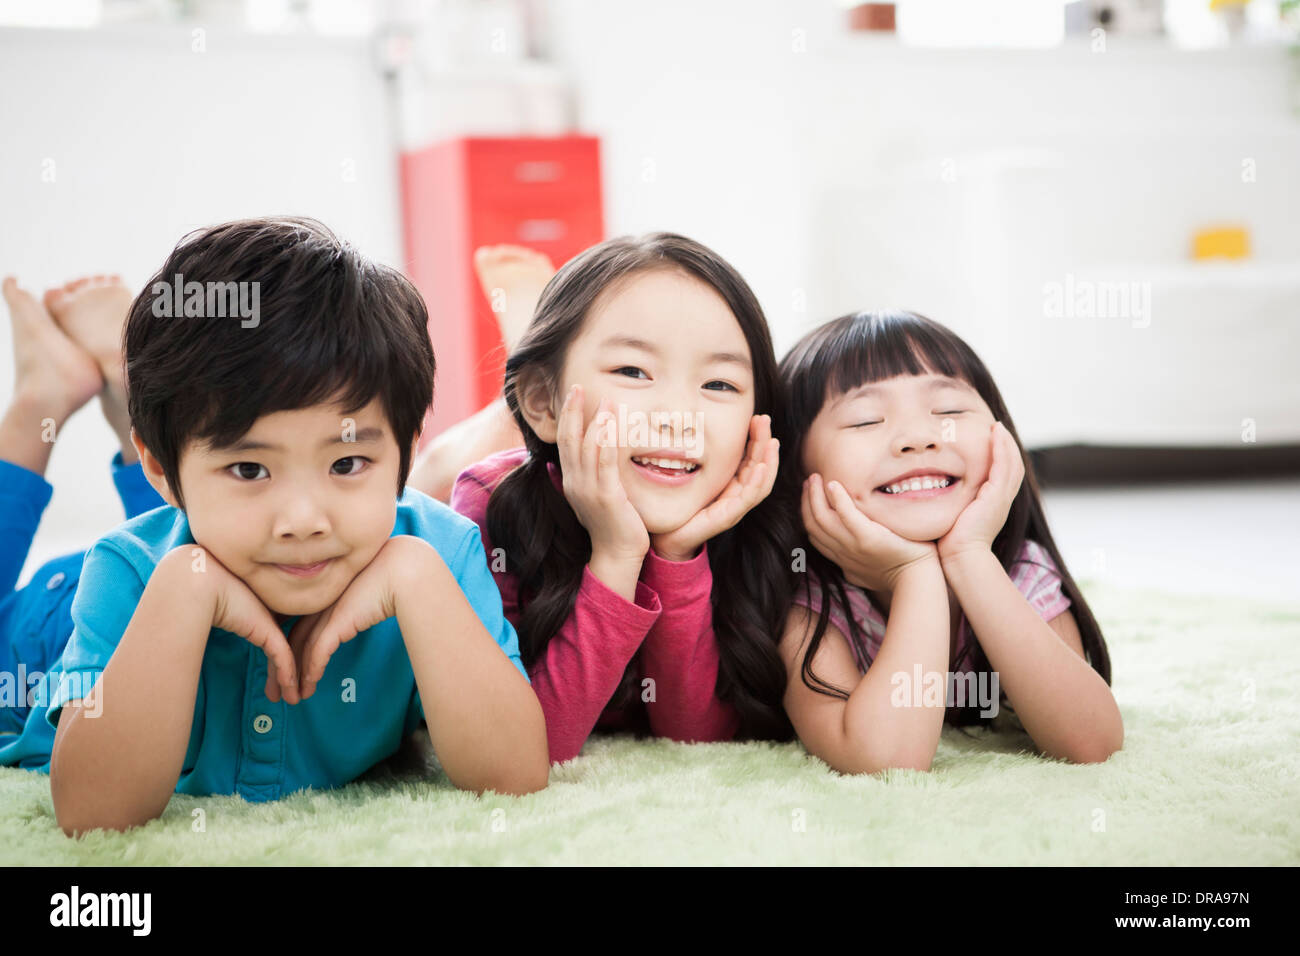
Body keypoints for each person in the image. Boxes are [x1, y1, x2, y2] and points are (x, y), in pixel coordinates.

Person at [0, 217, 548, 835]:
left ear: (407, 449)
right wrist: (184, 587)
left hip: (207, 530)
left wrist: (417, 578)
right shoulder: (125, 572)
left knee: (215, 515)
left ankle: (125, 385)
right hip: (46, 623)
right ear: (159, 468)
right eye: (250, 467)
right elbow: (93, 813)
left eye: (347, 463)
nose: (303, 520)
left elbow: (515, 774)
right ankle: (41, 400)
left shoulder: (439, 555)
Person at [441, 233, 798, 765]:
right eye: (633, 371)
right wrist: (615, 556)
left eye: (719, 384)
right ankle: (519, 375)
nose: (679, 415)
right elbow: (529, 749)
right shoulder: (489, 508)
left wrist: (676, 556)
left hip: (565, 425)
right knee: (431, 474)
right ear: (542, 400)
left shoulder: (760, 518)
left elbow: (694, 741)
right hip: (526, 462)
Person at [773, 309, 1123, 774]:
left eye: (950, 412)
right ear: (798, 469)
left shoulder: (1019, 571)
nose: (918, 439)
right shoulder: (809, 600)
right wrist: (914, 575)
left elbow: (1091, 743)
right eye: (865, 420)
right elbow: (885, 762)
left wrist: (968, 556)